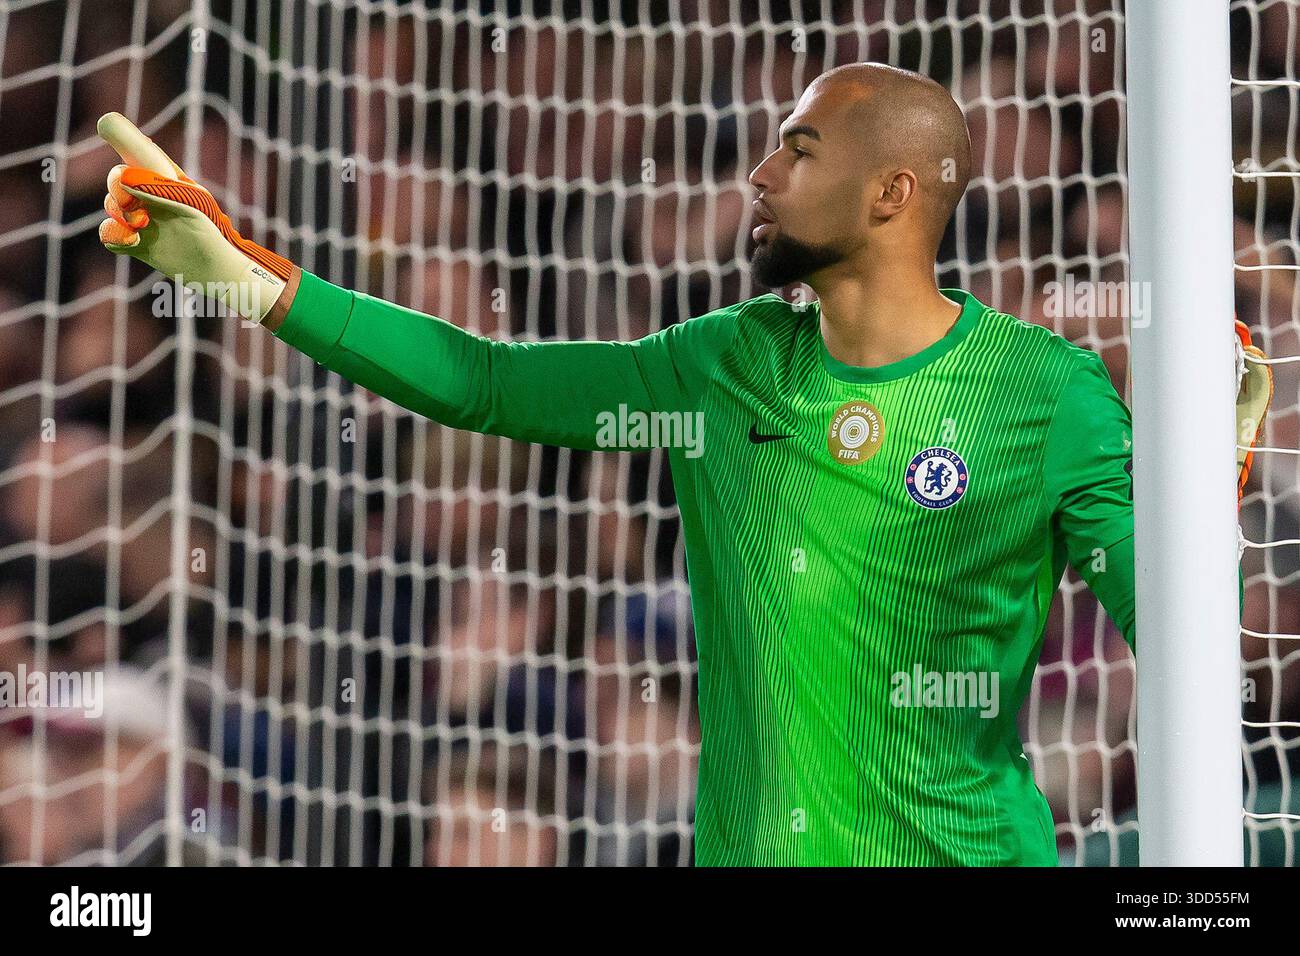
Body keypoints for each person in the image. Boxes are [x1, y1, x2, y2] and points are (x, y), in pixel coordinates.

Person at [93, 63, 1269, 865]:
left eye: (796, 150)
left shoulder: (1042, 393)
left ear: (891, 192)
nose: (757, 175)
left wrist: (1202, 503)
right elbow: (486, 381)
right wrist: (254, 282)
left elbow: (1173, 631)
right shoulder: (721, 366)